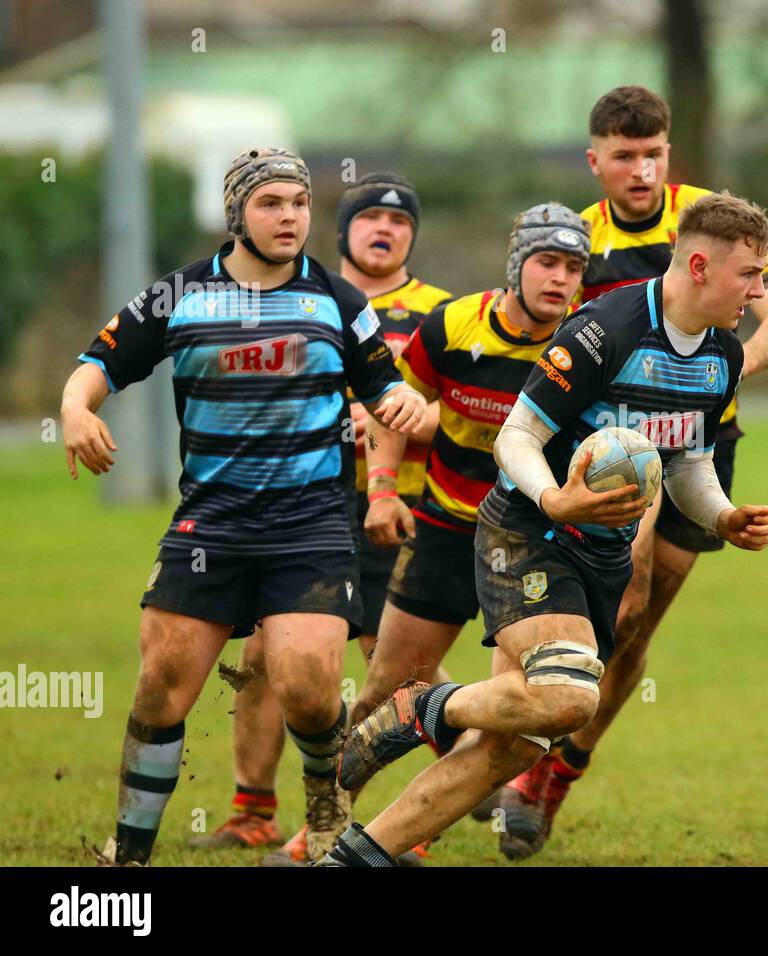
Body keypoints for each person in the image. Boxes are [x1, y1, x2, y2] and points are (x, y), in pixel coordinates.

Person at [319, 192, 768, 866]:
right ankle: (426, 709)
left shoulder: (723, 356)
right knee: (568, 700)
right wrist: (555, 501)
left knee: (514, 743)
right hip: (527, 533)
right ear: (703, 266)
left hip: (602, 559)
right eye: (751, 274)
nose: (761, 290)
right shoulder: (606, 329)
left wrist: (722, 515)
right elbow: (516, 438)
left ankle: (358, 857)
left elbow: (691, 459)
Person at [62, 148, 426, 865]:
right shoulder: (180, 295)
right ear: (237, 214)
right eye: (271, 204)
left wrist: (403, 401)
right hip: (211, 524)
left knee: (310, 688)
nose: (289, 216)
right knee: (163, 688)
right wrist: (76, 410)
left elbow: (382, 389)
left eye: (298, 203)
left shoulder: (338, 300)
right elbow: (98, 364)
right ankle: (129, 854)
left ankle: (324, 818)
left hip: (311, 525)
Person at [493, 83, 768, 860]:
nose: (642, 170)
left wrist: (716, 375)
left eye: (654, 153)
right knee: (619, 598)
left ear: (671, 153)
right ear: (595, 161)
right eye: (625, 157)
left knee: (638, 627)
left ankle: (554, 771)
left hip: (698, 441)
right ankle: (516, 743)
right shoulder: (580, 241)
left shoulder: (714, 221)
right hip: (611, 450)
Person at [192, 173, 449, 866]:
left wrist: (393, 414)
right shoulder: (304, 298)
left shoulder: (441, 313)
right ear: (343, 231)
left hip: (401, 512)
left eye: (400, 222)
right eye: (370, 218)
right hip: (306, 506)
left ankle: (408, 824)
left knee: (398, 672)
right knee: (262, 660)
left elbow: (454, 415)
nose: (385, 230)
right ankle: (252, 809)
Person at [343, 203, 589, 792]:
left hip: (538, 543)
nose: (560, 278)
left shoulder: (588, 344)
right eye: (547, 262)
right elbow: (389, 407)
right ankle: (326, 822)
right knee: (385, 687)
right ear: (517, 265)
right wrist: (381, 492)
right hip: (447, 527)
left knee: (520, 707)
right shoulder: (453, 325)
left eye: (574, 267)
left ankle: (419, 825)